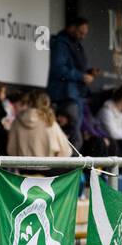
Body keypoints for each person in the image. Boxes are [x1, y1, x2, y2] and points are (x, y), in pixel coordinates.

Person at [47, 17, 96, 151]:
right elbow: (58, 68)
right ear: (72, 27)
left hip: (75, 94)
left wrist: (87, 73)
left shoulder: (76, 44)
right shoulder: (61, 43)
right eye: (81, 32)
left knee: (75, 135)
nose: (82, 36)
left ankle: (70, 168)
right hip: (64, 96)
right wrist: (81, 76)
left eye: (85, 33)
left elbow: (72, 67)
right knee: (72, 136)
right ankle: (67, 169)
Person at [8, 92, 69, 159]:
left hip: (22, 166)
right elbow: (65, 150)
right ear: (46, 104)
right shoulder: (50, 123)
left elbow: (11, 149)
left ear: (29, 102)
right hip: (47, 165)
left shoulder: (17, 121)